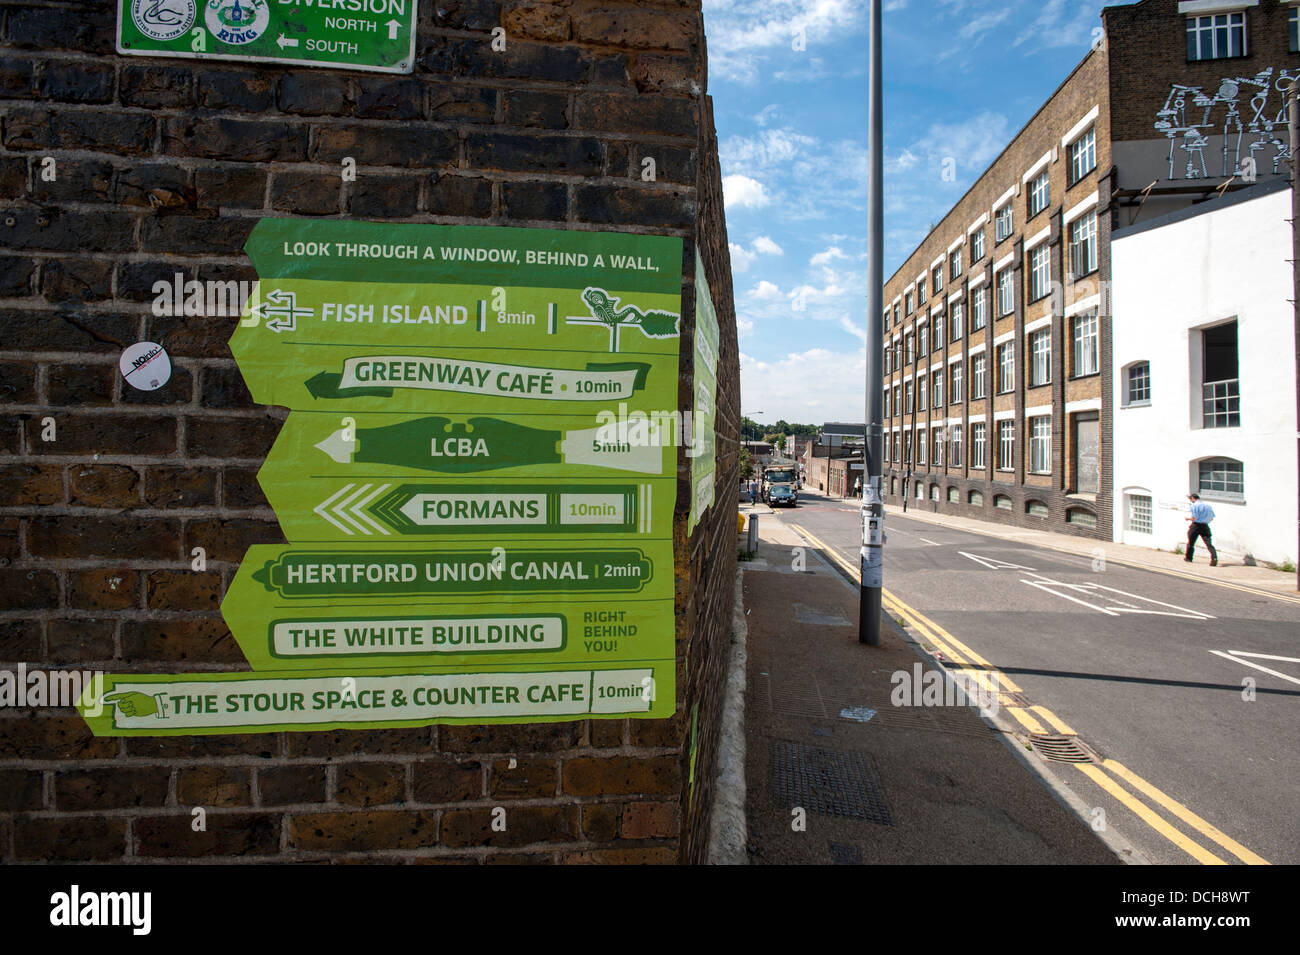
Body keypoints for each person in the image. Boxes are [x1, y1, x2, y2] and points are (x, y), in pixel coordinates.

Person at [1184, 493, 1218, 566]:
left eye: (1190, 499)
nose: (1190, 501)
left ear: (1193, 498)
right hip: (1205, 526)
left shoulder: (1194, 505)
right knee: (1208, 543)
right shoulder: (1208, 506)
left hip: (1196, 525)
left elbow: (1194, 518)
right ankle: (1214, 557)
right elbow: (1211, 518)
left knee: (1191, 542)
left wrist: (1188, 519)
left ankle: (1188, 558)